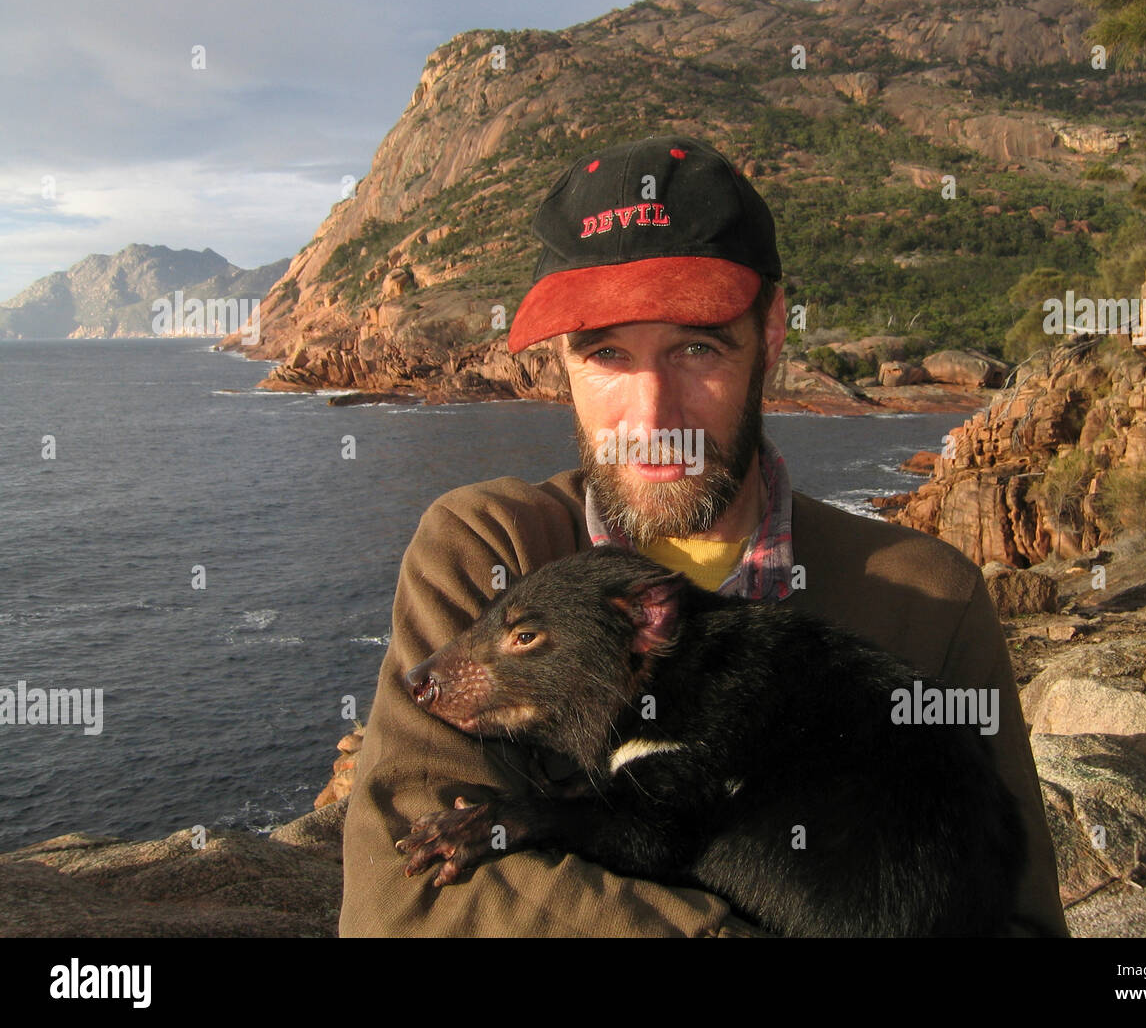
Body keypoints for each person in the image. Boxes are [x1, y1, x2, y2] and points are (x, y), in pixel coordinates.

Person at [339, 134, 1069, 937]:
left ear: (774, 333)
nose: (654, 418)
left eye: (696, 346)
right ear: (561, 363)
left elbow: (1018, 922)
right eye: (607, 354)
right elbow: (405, 906)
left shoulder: (928, 600)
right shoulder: (487, 554)